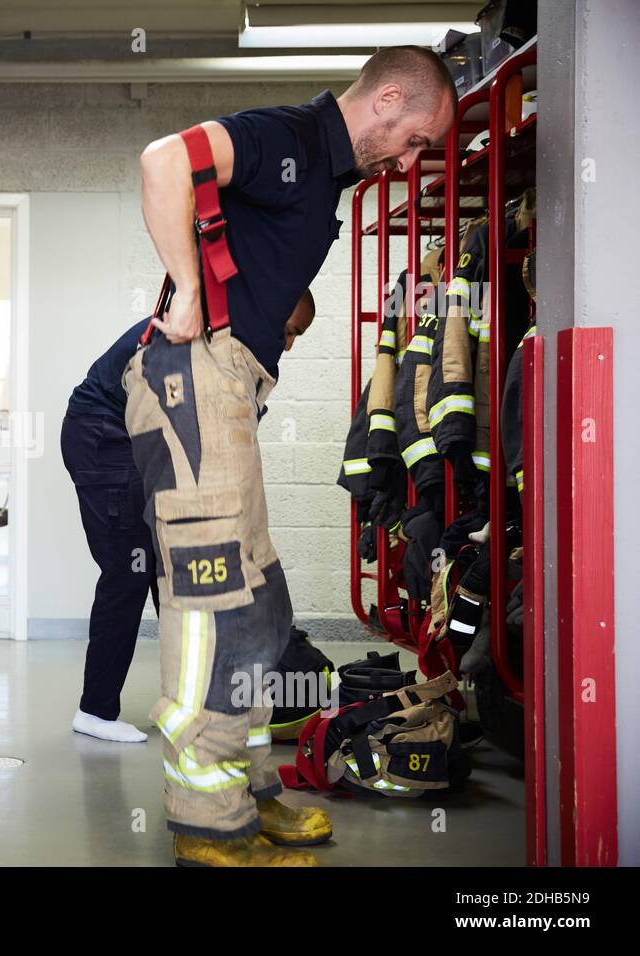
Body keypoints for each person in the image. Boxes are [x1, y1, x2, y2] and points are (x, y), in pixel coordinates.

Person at [128, 46, 456, 866]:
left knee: (264, 606)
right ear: (386, 99)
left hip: (227, 388)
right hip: (195, 379)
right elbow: (165, 158)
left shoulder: (324, 171)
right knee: (218, 611)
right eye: (415, 138)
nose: (409, 159)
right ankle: (207, 818)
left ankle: (241, 782)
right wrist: (189, 289)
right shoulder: (295, 140)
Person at [62, 294, 314, 744]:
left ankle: (193, 696)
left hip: (132, 436)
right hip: (104, 434)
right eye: (290, 331)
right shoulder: (206, 332)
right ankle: (95, 711)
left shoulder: (234, 339)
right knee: (129, 570)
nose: (290, 345)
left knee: (173, 564)